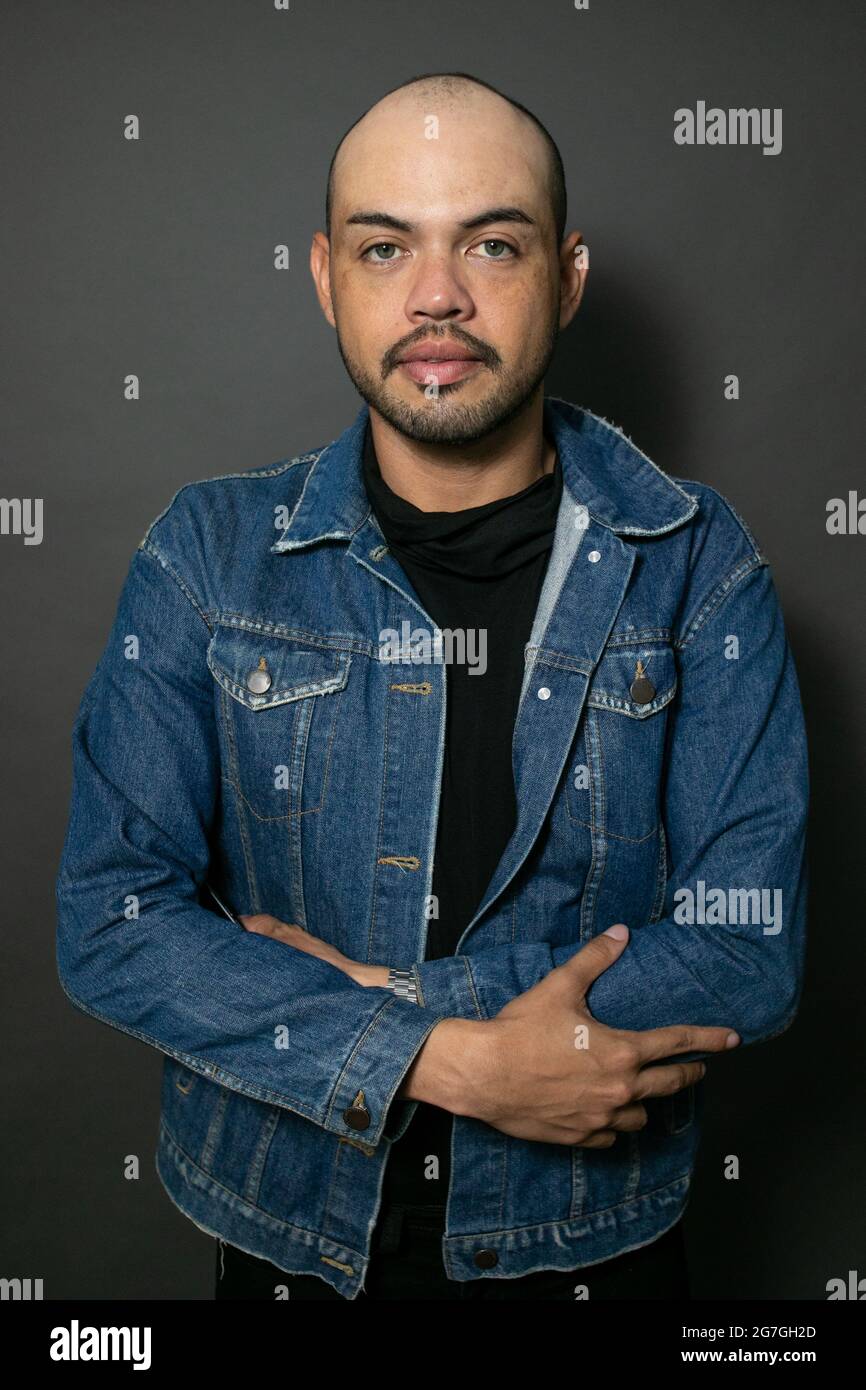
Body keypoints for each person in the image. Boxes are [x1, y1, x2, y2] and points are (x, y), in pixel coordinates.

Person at [55, 71, 809, 1301]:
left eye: (491, 243)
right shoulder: (204, 557)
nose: (437, 295)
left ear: (565, 277)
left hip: (592, 1248)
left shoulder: (696, 565)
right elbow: (108, 921)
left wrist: (388, 1005)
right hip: (290, 1239)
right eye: (384, 245)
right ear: (324, 278)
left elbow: (746, 947)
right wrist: (449, 1059)